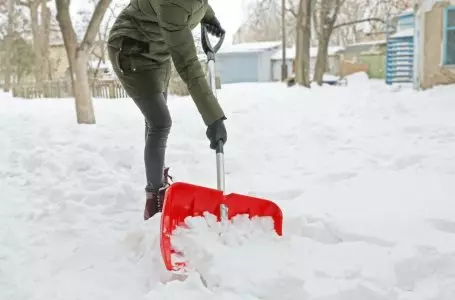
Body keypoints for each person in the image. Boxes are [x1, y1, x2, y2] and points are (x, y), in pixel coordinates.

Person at [107, 0, 228, 220]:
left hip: (159, 52)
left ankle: (157, 179)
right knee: (160, 122)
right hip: (132, 49)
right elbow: (188, 64)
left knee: (154, 122)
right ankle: (154, 199)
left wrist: (209, 17)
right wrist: (213, 118)